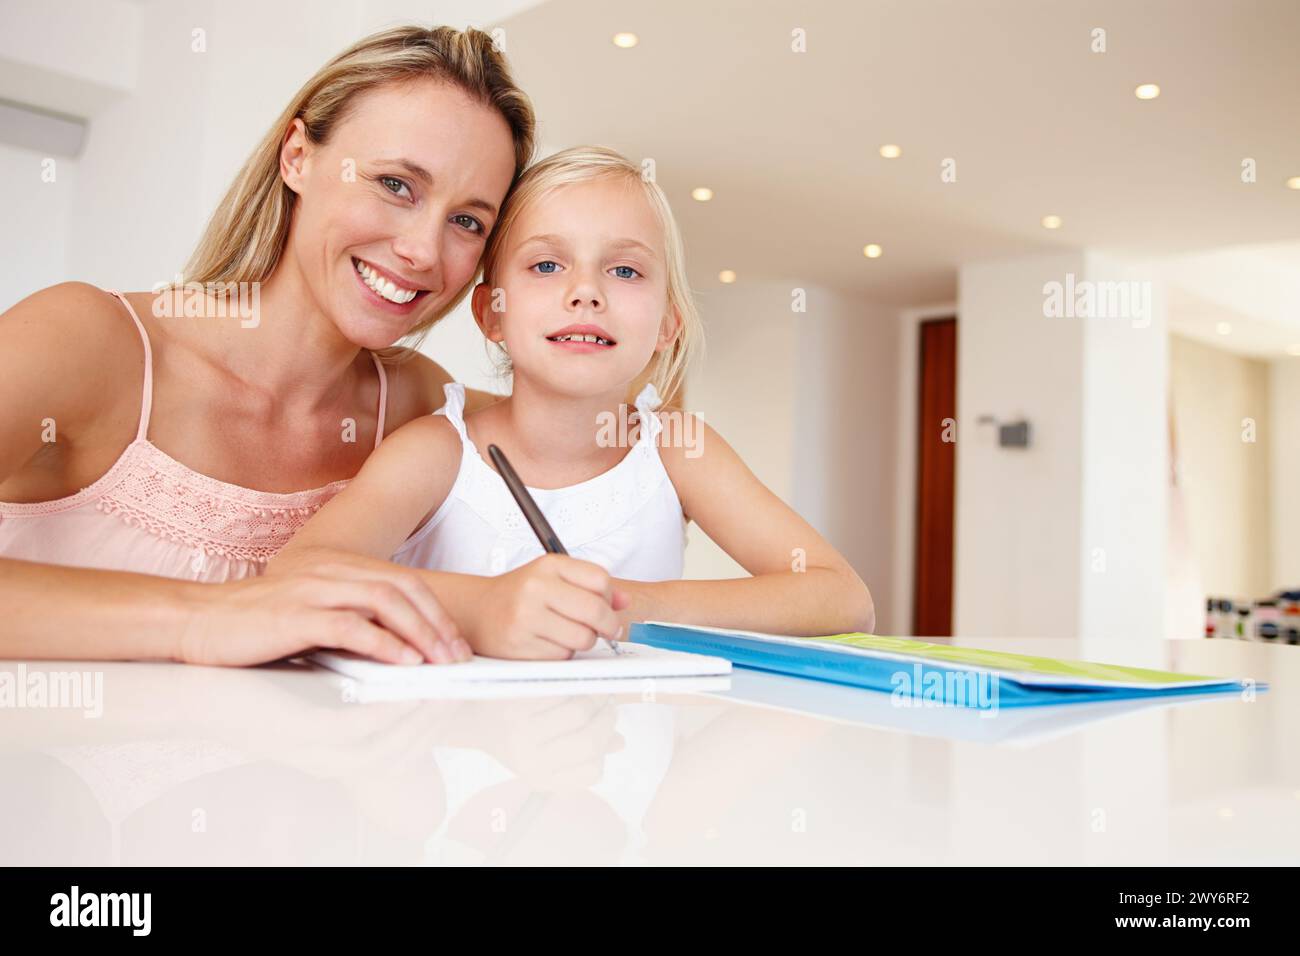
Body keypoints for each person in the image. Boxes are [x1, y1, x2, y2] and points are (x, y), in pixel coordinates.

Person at [270, 147, 875, 660]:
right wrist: (484, 606)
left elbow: (841, 597)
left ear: (667, 324)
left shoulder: (676, 449)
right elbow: (298, 573)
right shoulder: (438, 451)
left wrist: (621, 604)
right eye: (547, 264)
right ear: (492, 314)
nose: (585, 292)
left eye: (624, 270)